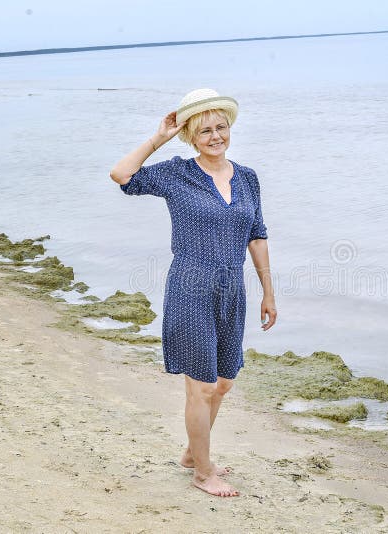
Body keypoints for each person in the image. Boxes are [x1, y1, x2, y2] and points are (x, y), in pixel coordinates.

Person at [109, 88, 277, 497]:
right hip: (191, 286)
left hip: (232, 288)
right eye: (205, 130)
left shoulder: (248, 178)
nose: (216, 136)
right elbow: (122, 175)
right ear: (190, 135)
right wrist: (158, 138)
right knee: (199, 386)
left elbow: (256, 236)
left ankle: (192, 454)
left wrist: (268, 292)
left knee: (223, 383)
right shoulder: (177, 173)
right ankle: (204, 472)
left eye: (221, 127)